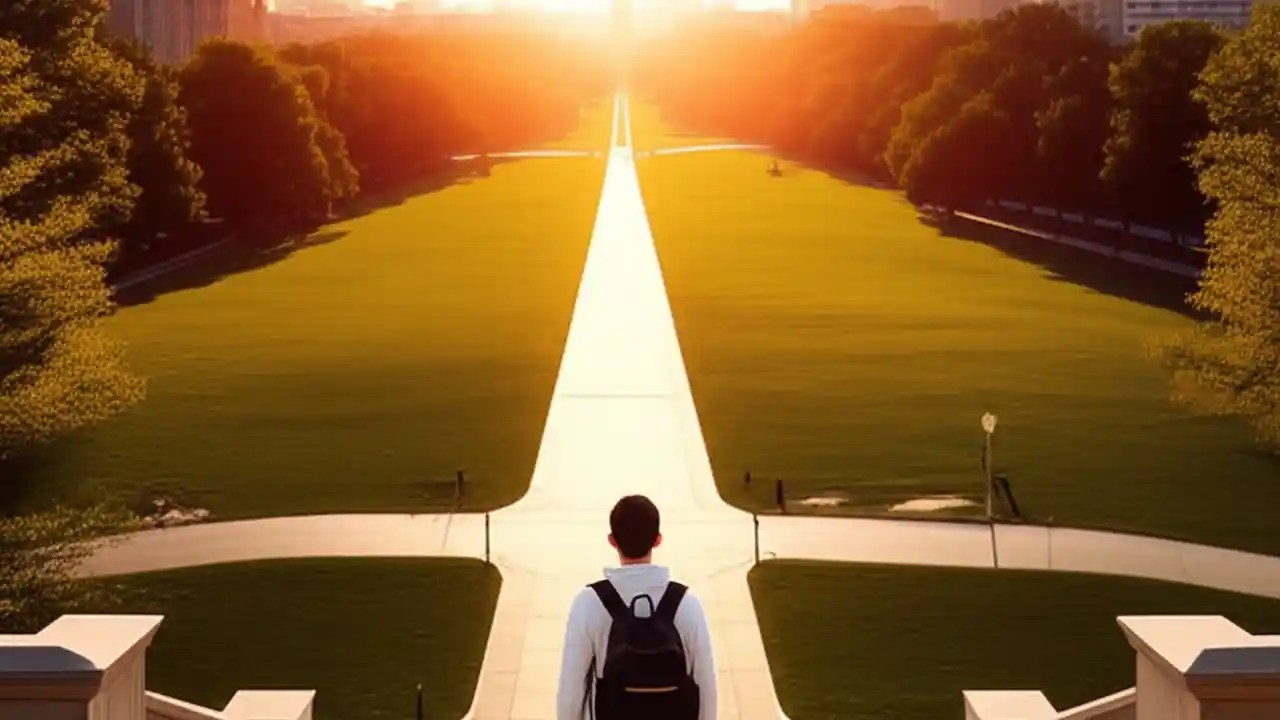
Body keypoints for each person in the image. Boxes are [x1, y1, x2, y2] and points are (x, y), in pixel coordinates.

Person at [556, 495, 716, 720]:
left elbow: (570, 694)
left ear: (612, 540)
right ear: (657, 540)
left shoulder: (588, 603)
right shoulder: (687, 604)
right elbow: (707, 689)